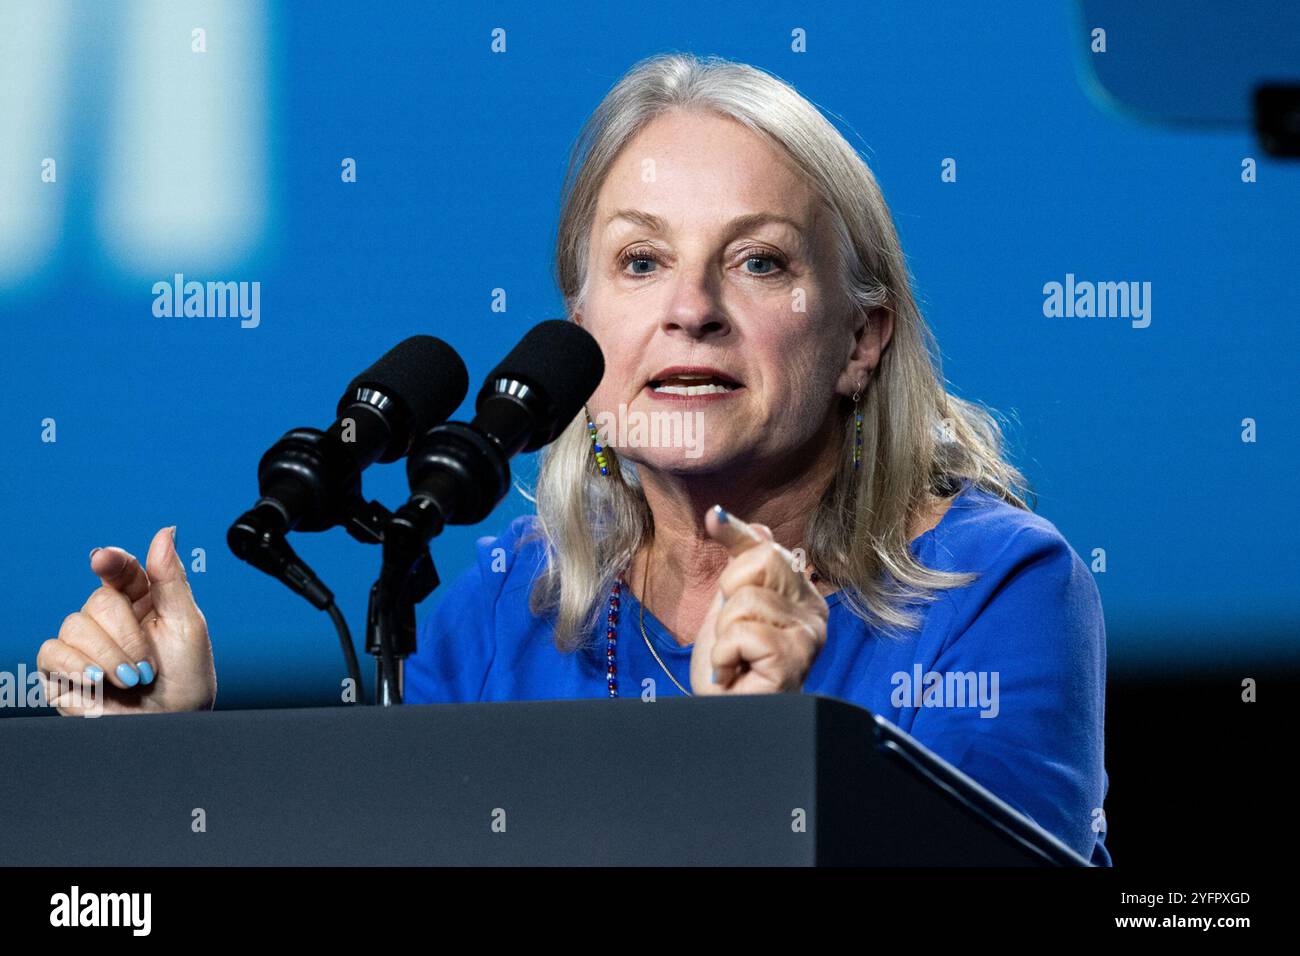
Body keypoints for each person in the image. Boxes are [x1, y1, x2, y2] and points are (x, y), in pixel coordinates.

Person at [36, 53, 1110, 865]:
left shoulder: (998, 587)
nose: (690, 309)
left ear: (859, 340)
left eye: (758, 260)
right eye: (640, 261)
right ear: (578, 338)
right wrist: (170, 766)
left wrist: (770, 747)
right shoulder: (501, 608)